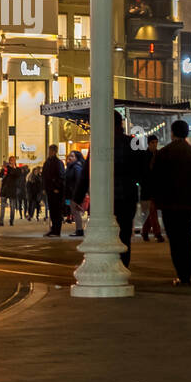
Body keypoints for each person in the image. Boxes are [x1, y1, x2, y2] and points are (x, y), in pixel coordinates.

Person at [72, 112, 145, 268]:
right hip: (127, 197)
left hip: (103, 198)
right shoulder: (132, 143)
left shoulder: (99, 143)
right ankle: (123, 265)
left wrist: (77, 197)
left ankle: (105, 265)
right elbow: (141, 171)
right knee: (124, 234)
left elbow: (87, 172)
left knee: (102, 233)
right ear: (121, 124)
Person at [152, 119, 191, 286]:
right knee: (186, 237)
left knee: (174, 238)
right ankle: (187, 273)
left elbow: (155, 179)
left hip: (169, 204)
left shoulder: (163, 153)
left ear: (172, 133)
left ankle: (180, 272)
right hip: (189, 204)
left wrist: (158, 199)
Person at [139, 135, 164, 242]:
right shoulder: (145, 156)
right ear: (149, 143)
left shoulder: (158, 155)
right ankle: (157, 233)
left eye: (156, 142)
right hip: (149, 187)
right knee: (152, 211)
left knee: (151, 212)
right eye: (153, 142)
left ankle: (145, 232)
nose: (155, 144)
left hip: (155, 187)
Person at [41, 144, 65, 237]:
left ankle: (56, 230)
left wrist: (57, 188)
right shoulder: (48, 162)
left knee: (56, 210)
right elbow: (44, 176)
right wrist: (44, 188)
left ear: (55, 152)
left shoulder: (57, 162)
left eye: (51, 151)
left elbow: (61, 176)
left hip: (55, 190)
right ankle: (53, 229)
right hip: (50, 189)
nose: (50, 152)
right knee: (52, 210)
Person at [63, 150, 86, 237]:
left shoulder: (76, 167)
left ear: (77, 158)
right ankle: (78, 229)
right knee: (74, 211)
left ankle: (79, 230)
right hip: (70, 194)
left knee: (76, 212)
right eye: (69, 156)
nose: (70, 157)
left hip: (74, 194)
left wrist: (77, 195)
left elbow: (78, 181)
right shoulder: (71, 167)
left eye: (72, 156)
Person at [0, 157, 19, 226]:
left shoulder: (17, 169)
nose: (11, 162)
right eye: (10, 160)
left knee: (12, 206)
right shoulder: (6, 168)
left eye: (13, 160)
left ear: (15, 161)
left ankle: (11, 220)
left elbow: (15, 174)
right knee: (2, 206)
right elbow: (0, 176)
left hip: (12, 190)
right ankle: (1, 221)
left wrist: (11, 168)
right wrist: (3, 169)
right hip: (5, 189)